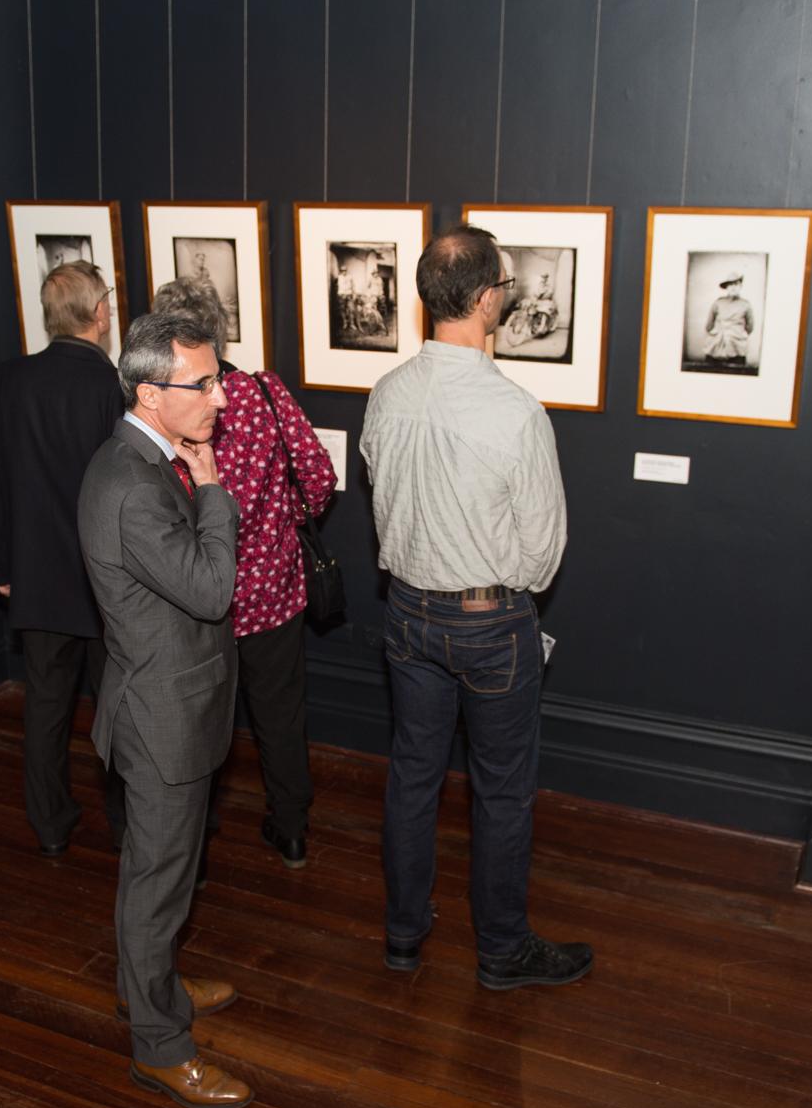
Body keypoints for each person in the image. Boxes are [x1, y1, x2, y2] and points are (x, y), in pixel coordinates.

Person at [360, 224, 591, 991]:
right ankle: (500, 950)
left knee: (412, 778)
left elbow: (379, 500)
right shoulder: (515, 412)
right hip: (491, 623)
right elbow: (541, 555)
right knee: (499, 791)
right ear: (490, 298)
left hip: (406, 615)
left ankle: (401, 936)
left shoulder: (386, 394)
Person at [76, 311, 252, 1108]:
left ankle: (152, 990)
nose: (220, 398)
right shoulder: (131, 484)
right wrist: (215, 488)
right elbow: (213, 589)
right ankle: (159, 1045)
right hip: (161, 717)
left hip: (173, 701)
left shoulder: (147, 459)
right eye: (204, 383)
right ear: (150, 394)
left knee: (163, 875)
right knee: (157, 882)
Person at [158, 279, 335, 867]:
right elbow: (318, 474)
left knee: (196, 728)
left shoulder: (163, 411)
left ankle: (196, 849)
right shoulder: (262, 391)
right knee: (280, 718)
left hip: (194, 599)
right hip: (272, 594)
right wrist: (278, 519)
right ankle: (291, 831)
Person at [0, 260, 128, 856]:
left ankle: (49, 824)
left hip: (34, 577)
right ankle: (123, 820)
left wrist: (3, 569)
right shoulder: (110, 388)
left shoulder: (3, 382)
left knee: (45, 707)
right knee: (116, 711)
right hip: (104, 581)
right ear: (98, 315)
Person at [704, 270, 755, 366]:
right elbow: (709, 326)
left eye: (736, 284)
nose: (733, 287)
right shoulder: (718, 303)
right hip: (716, 346)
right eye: (730, 285)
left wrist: (737, 334)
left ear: (740, 286)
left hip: (737, 347)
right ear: (726, 287)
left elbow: (750, 327)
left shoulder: (746, 304)